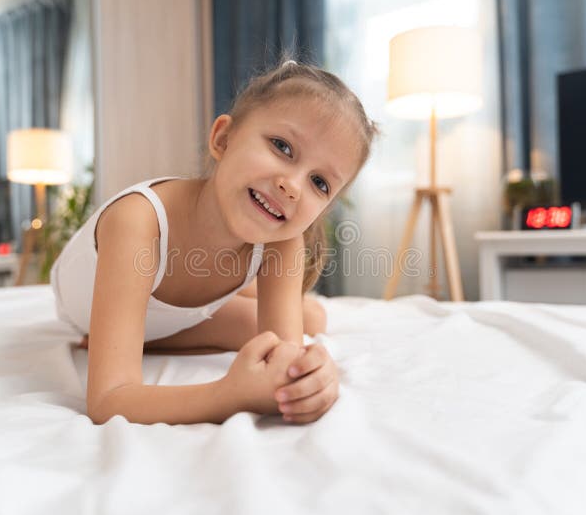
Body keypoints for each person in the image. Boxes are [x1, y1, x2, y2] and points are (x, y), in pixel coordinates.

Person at [51, 58, 378, 426]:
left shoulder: (284, 242)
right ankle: (120, 334)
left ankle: (154, 331)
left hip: (180, 299)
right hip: (89, 301)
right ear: (223, 139)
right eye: (282, 147)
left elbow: (279, 363)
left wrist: (310, 380)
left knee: (313, 318)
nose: (292, 186)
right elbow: (109, 400)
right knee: (301, 315)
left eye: (320, 183)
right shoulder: (139, 221)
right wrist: (228, 394)